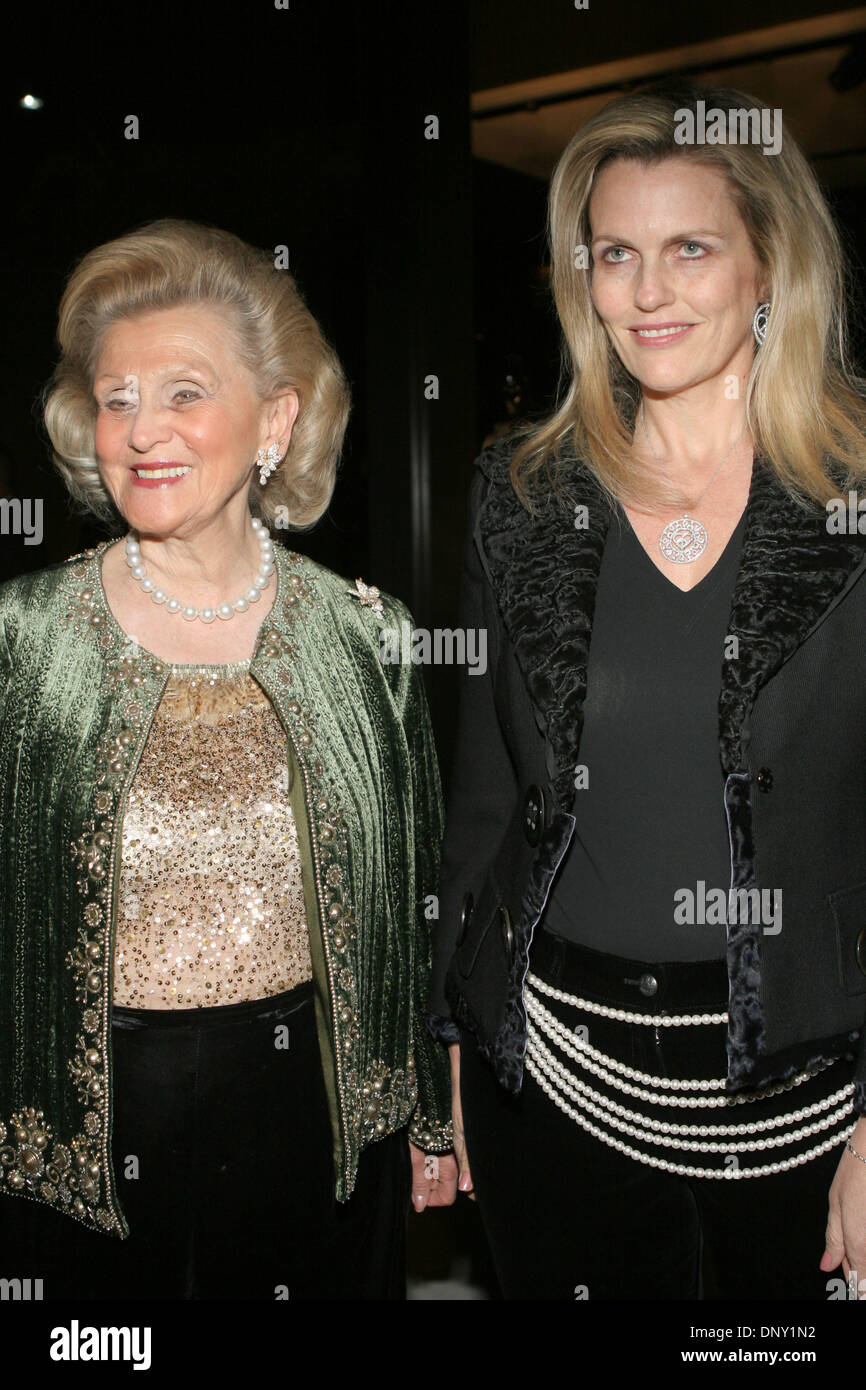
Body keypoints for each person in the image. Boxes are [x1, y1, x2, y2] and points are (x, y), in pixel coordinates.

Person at [428, 79, 866, 1300]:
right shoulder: (521, 495)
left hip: (808, 1093)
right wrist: (453, 1035)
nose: (645, 290)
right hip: (553, 1087)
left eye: (689, 249)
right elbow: (483, 806)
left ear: (769, 261)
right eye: (614, 253)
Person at [0, 217, 455, 1300]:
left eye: (184, 393)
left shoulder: (365, 636)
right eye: (117, 399)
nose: (141, 432)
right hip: (86, 1131)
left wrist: (430, 1116)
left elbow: (415, 895)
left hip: (318, 1122)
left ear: (276, 420)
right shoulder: (22, 636)